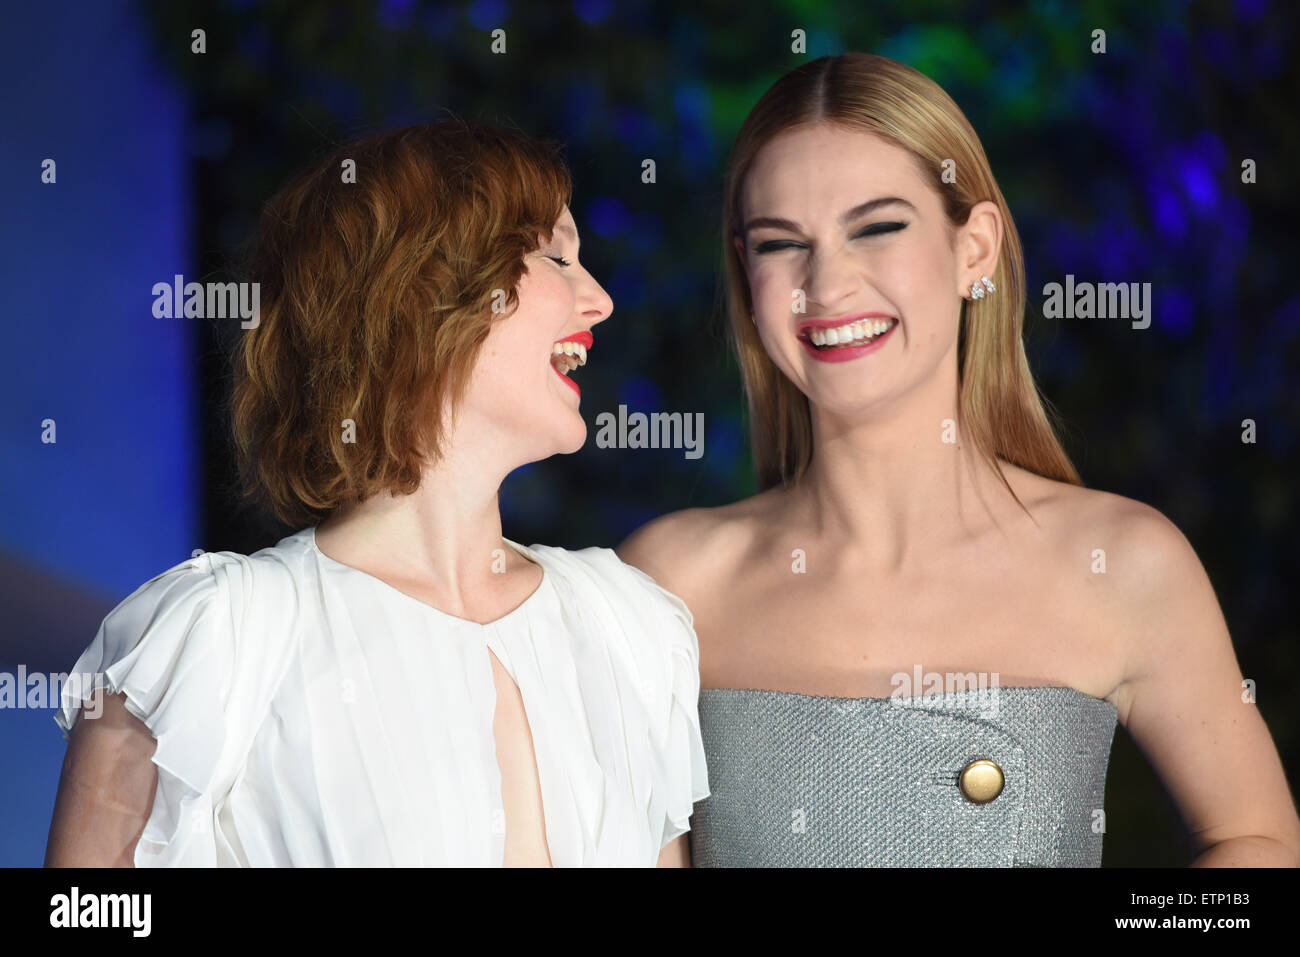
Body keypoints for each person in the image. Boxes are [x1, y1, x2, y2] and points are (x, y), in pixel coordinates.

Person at [618, 53, 1300, 866]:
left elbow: (1257, 841)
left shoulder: (1124, 563)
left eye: (877, 227)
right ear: (746, 271)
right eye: (780, 244)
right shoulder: (670, 587)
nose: (827, 285)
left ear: (974, 250)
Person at [45, 119, 709, 867]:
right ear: (424, 285)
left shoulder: (629, 627)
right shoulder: (215, 643)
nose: (598, 301)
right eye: (556, 255)